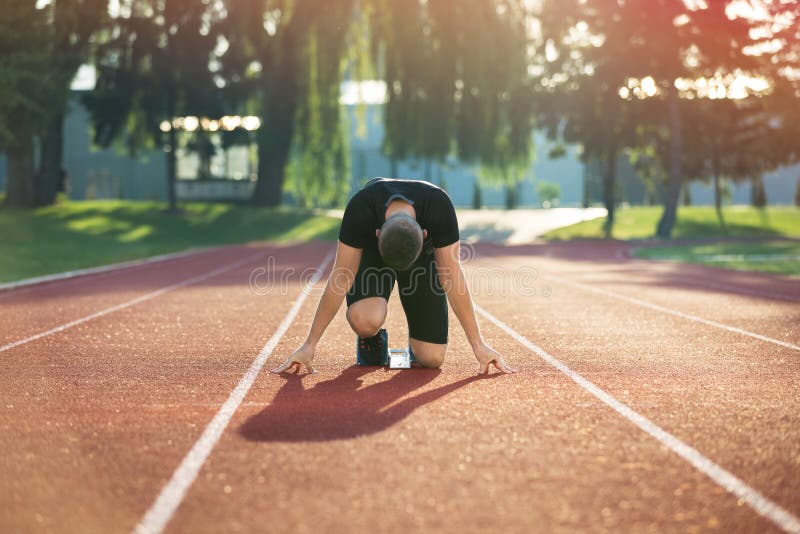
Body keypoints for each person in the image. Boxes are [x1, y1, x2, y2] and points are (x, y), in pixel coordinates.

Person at [271, 177, 515, 375]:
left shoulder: (439, 207)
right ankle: (373, 340)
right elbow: (340, 278)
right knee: (364, 319)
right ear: (376, 233)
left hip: (422, 258)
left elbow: (452, 277)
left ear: (425, 231)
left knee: (432, 359)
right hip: (374, 256)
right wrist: (309, 345)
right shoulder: (361, 208)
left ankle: (417, 344)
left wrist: (478, 345)